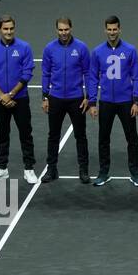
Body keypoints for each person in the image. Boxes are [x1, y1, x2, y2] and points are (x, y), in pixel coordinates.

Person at [88, 15, 138, 187]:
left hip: (126, 102)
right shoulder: (97, 52)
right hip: (106, 102)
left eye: (115, 29)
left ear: (120, 29)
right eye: (109, 30)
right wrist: (92, 103)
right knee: (103, 138)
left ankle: (135, 172)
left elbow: (136, 77)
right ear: (105, 30)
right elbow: (92, 78)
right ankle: (103, 172)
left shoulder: (130, 50)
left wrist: (136, 101)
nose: (112, 32)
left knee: (132, 139)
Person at [0, 15, 37, 185]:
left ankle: (29, 169)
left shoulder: (24, 47)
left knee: (25, 134)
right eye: (5, 29)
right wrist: (2, 96)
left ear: (15, 28)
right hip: (0, 100)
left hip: (20, 99)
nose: (8, 32)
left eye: (11, 28)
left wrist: (11, 94)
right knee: (2, 134)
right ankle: (1, 169)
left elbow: (27, 73)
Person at [40, 17, 91, 184]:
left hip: (76, 99)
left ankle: (83, 170)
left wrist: (88, 97)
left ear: (71, 28)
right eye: (61, 30)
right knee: (53, 136)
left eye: (66, 29)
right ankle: (51, 169)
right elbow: (46, 73)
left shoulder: (81, 48)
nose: (63, 33)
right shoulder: (49, 49)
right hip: (55, 99)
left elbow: (88, 74)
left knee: (80, 136)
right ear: (57, 30)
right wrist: (45, 96)